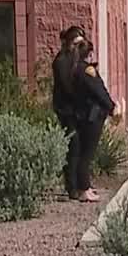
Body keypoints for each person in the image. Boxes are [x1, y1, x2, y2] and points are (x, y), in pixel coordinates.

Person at [70, 41, 118, 202]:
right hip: (92, 116)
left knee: (82, 152)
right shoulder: (87, 70)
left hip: (82, 115)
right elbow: (99, 91)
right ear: (90, 54)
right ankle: (84, 189)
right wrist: (111, 107)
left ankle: (84, 186)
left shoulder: (74, 69)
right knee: (87, 154)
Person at [52, 25, 87, 196]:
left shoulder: (76, 59)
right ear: (68, 43)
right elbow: (67, 86)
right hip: (66, 109)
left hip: (76, 109)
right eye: (76, 44)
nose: (78, 48)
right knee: (73, 146)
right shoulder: (62, 61)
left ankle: (79, 183)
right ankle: (71, 186)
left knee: (80, 146)